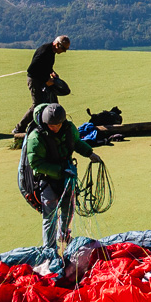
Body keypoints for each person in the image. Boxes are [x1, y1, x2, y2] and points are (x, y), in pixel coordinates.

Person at [21, 102, 99, 252]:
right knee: (50, 215)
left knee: (68, 209)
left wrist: (90, 153)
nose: (55, 127)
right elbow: (36, 163)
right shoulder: (36, 138)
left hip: (67, 176)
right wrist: (60, 171)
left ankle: (63, 235)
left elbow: (76, 143)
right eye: (51, 125)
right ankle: (49, 249)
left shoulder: (69, 129)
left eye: (58, 124)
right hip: (47, 180)